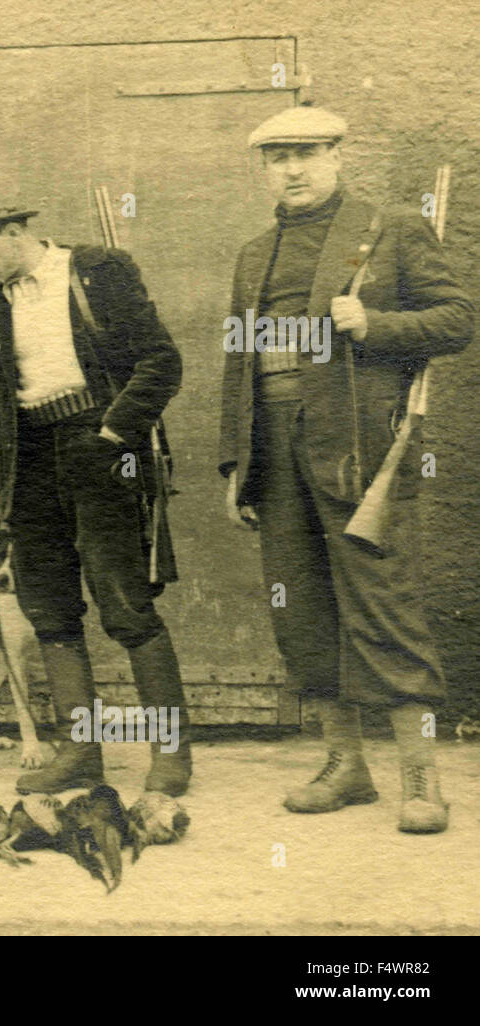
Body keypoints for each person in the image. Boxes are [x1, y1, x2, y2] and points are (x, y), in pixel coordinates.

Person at [219, 106, 474, 833]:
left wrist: (377, 327)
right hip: (274, 449)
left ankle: (421, 781)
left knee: (385, 609)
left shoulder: (390, 228)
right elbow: (238, 360)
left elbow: (457, 318)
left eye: (306, 153)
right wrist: (235, 459)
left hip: (358, 449)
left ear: (337, 154)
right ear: (263, 169)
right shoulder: (252, 252)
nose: (292, 169)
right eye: (277, 158)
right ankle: (345, 766)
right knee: (300, 612)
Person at [0, 206, 190, 797]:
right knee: (49, 608)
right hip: (29, 458)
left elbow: (161, 363)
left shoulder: (98, 270)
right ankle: (80, 751)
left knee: (126, 605)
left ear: (13, 232)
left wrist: (112, 436)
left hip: (99, 447)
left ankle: (172, 755)